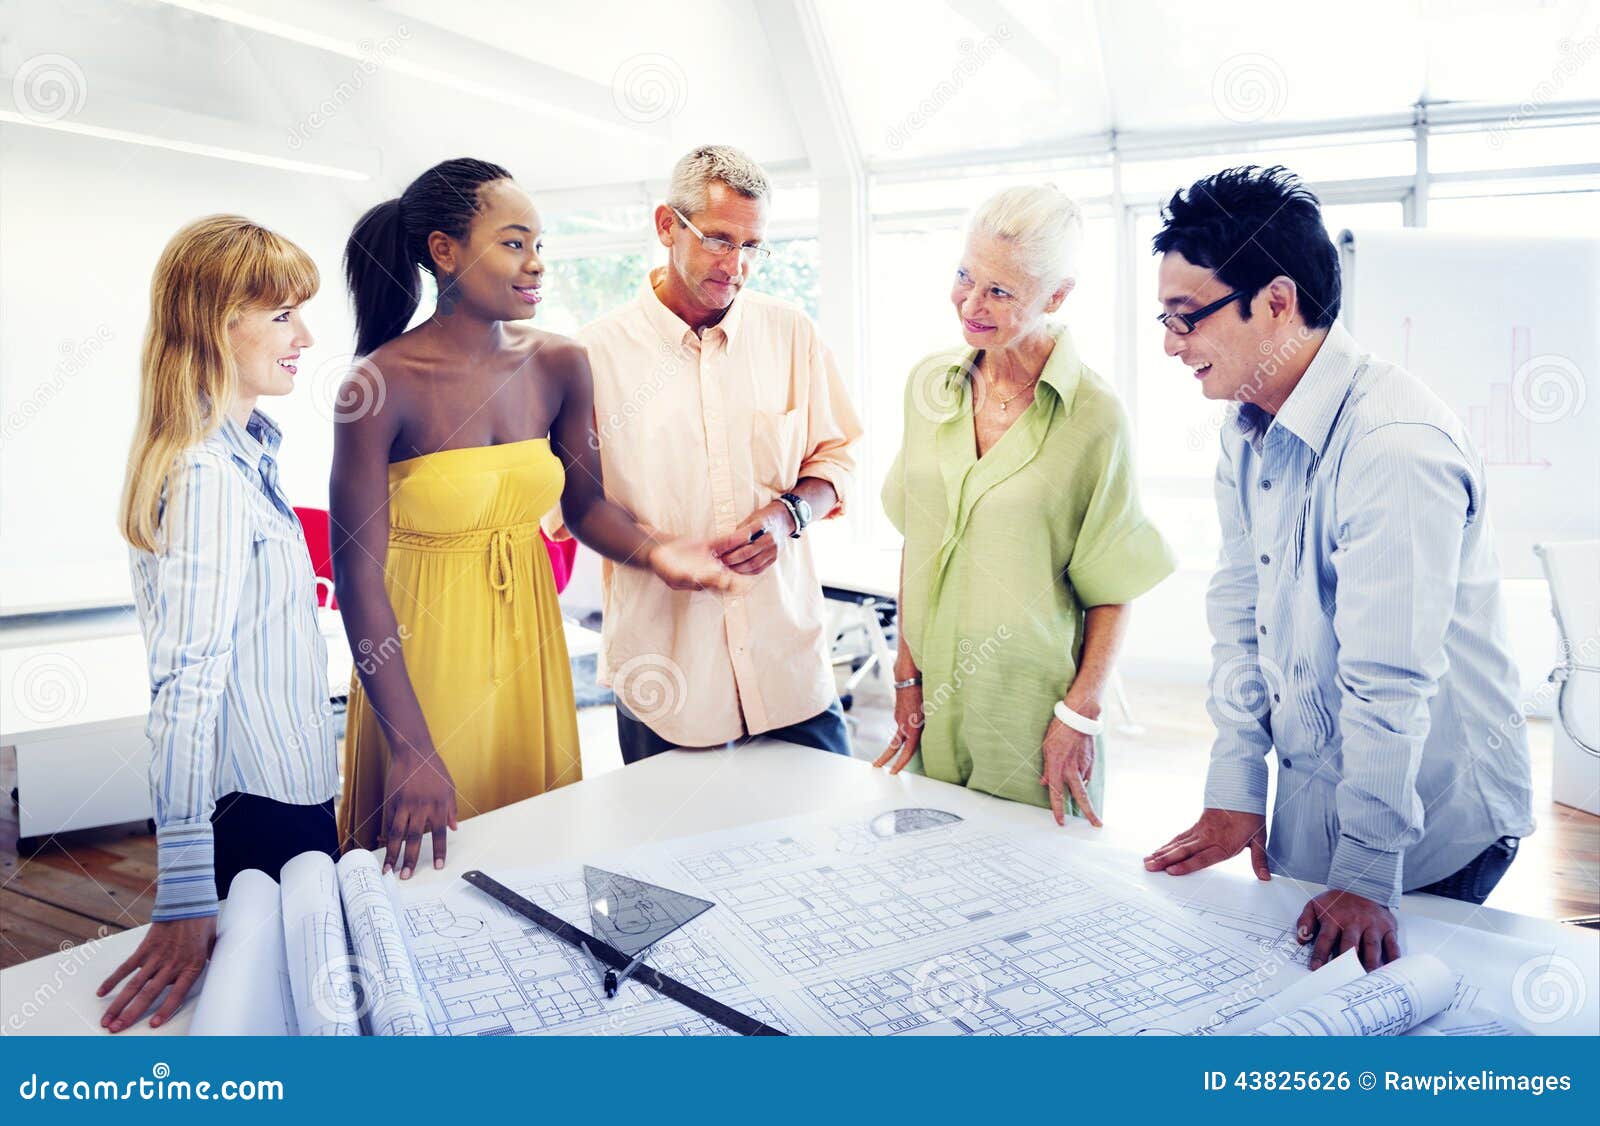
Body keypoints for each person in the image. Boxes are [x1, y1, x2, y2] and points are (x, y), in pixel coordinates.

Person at [1141, 166, 1535, 971]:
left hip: (1434, 827)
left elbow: (1388, 681)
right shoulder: (1247, 426)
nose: (1171, 343)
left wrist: (1364, 873)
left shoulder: (1393, 446)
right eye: (1165, 318)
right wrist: (1236, 792)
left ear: (1277, 302)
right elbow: (1241, 613)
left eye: (1187, 317)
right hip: (1318, 805)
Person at [334, 158, 735, 876]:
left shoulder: (560, 363)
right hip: (421, 667)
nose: (537, 263)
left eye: (539, 244)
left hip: (529, 653)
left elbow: (586, 507)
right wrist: (411, 746)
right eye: (514, 243)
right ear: (444, 251)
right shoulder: (378, 385)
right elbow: (357, 581)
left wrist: (658, 552)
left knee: (536, 864)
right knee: (424, 883)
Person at [874, 185, 1176, 825]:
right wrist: (905, 675)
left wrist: (1079, 715)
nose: (970, 304)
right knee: (922, 871)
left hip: (1033, 715)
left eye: (1000, 291)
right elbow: (917, 540)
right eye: (965, 275)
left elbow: (1112, 586)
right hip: (930, 704)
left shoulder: (1095, 415)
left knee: (1027, 883)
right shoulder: (929, 385)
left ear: (1056, 296)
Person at [101, 215, 335, 1031]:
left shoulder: (246, 456)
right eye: (283, 315)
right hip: (259, 811)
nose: (304, 337)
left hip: (291, 789)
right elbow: (185, 686)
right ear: (217, 324)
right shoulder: (207, 474)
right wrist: (183, 889)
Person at [567, 144, 862, 763]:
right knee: (671, 828)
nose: (737, 266)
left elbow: (836, 458)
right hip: (667, 674)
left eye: (753, 246)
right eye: (719, 240)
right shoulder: (591, 355)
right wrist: (656, 552)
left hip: (789, 663)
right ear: (666, 225)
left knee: (831, 821)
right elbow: (577, 506)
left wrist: (787, 516)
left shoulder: (792, 333)